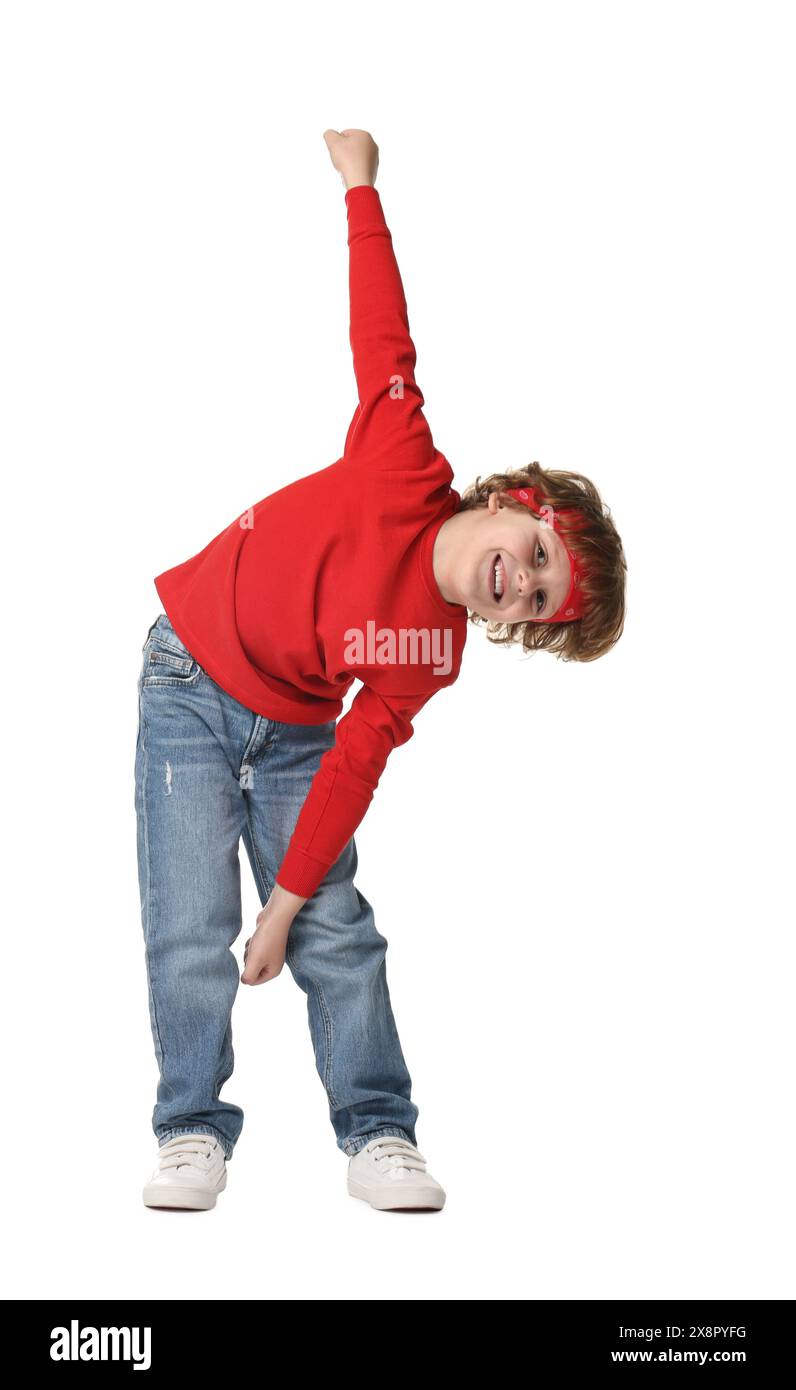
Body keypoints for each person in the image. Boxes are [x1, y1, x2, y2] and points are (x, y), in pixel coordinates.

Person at [137, 128, 627, 1214]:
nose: (525, 583)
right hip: (187, 681)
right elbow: (382, 331)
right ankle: (188, 1127)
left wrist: (283, 907)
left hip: (295, 730)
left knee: (335, 927)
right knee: (185, 925)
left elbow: (354, 762)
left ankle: (379, 1130)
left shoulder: (431, 652)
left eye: (542, 604)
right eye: (540, 554)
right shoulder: (405, 461)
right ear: (513, 500)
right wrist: (361, 189)